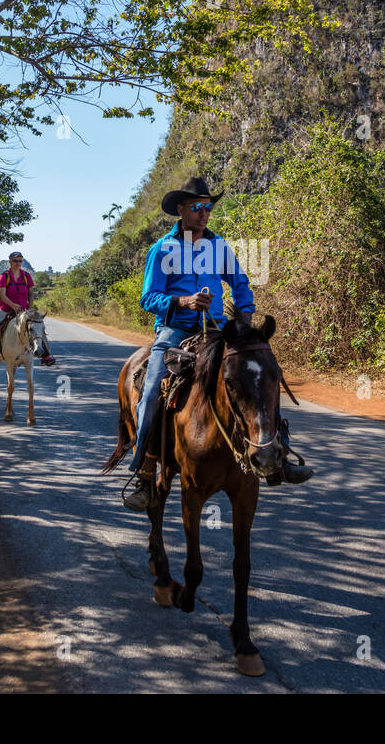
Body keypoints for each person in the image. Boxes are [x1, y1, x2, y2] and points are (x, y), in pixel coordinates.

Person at [122, 176, 311, 512]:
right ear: (180, 209)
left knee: (262, 372)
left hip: (218, 330)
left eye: (207, 207)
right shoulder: (162, 249)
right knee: (152, 388)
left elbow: (240, 284)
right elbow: (149, 298)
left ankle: (278, 454)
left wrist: (243, 320)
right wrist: (183, 302)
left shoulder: (218, 247)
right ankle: (144, 472)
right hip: (175, 331)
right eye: (197, 207)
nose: (204, 212)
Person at [0, 251, 55, 366]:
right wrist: (12, 305)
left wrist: (30, 306)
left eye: (20, 261)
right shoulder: (4, 276)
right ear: (10, 262)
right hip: (6, 308)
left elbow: (31, 293)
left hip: (23, 310)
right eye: (15, 261)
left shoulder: (26, 276)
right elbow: (2, 294)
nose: (18, 263)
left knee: (38, 327)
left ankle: (46, 355)